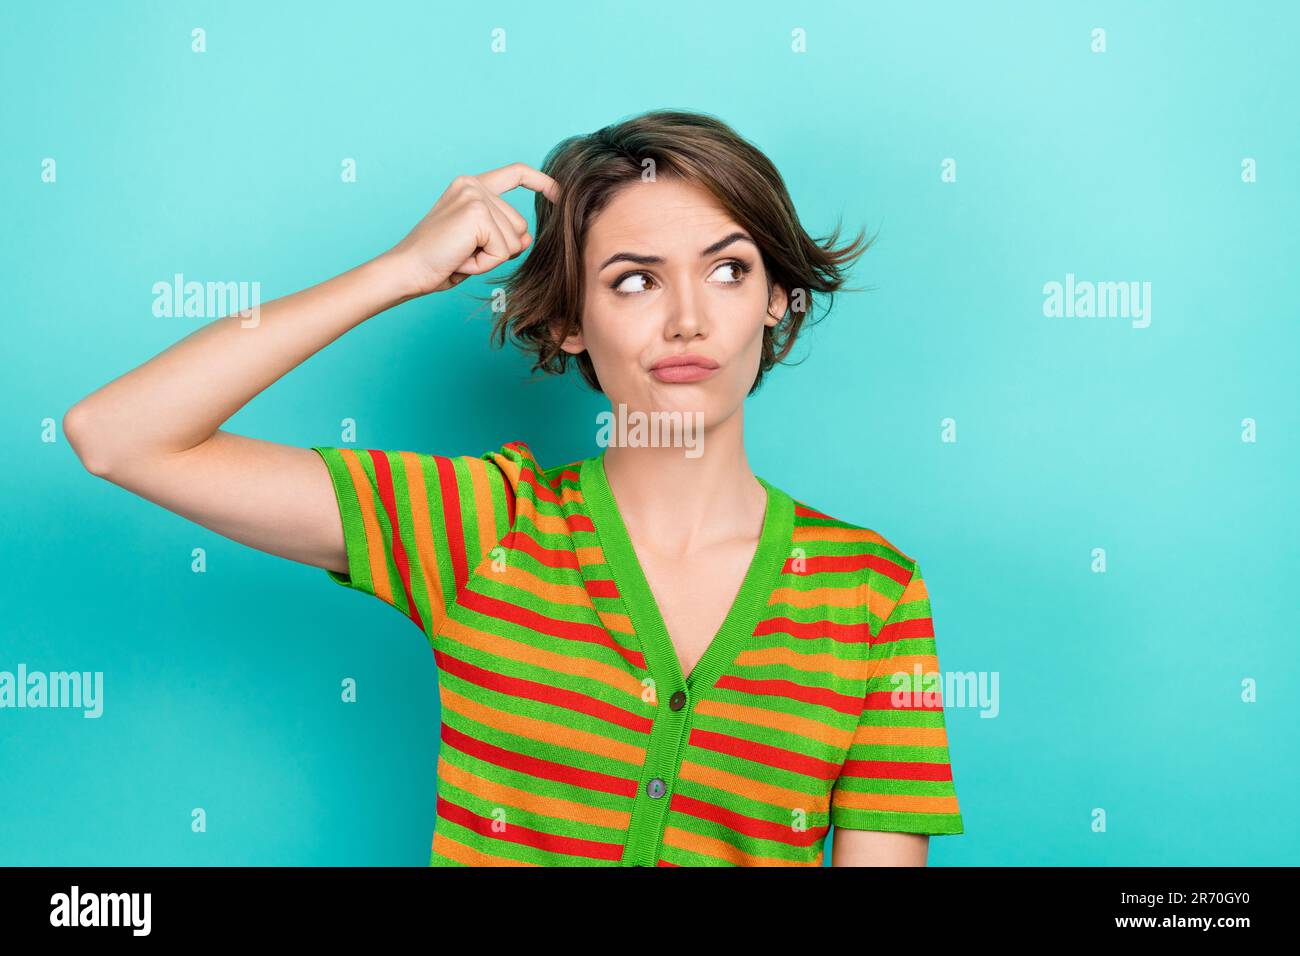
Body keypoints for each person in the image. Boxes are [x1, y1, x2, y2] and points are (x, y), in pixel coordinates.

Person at [65, 109, 963, 866]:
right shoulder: (482, 525)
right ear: (571, 321)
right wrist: (398, 272)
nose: (689, 318)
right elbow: (116, 435)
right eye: (635, 280)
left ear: (776, 298)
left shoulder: (871, 592)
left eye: (728, 270)